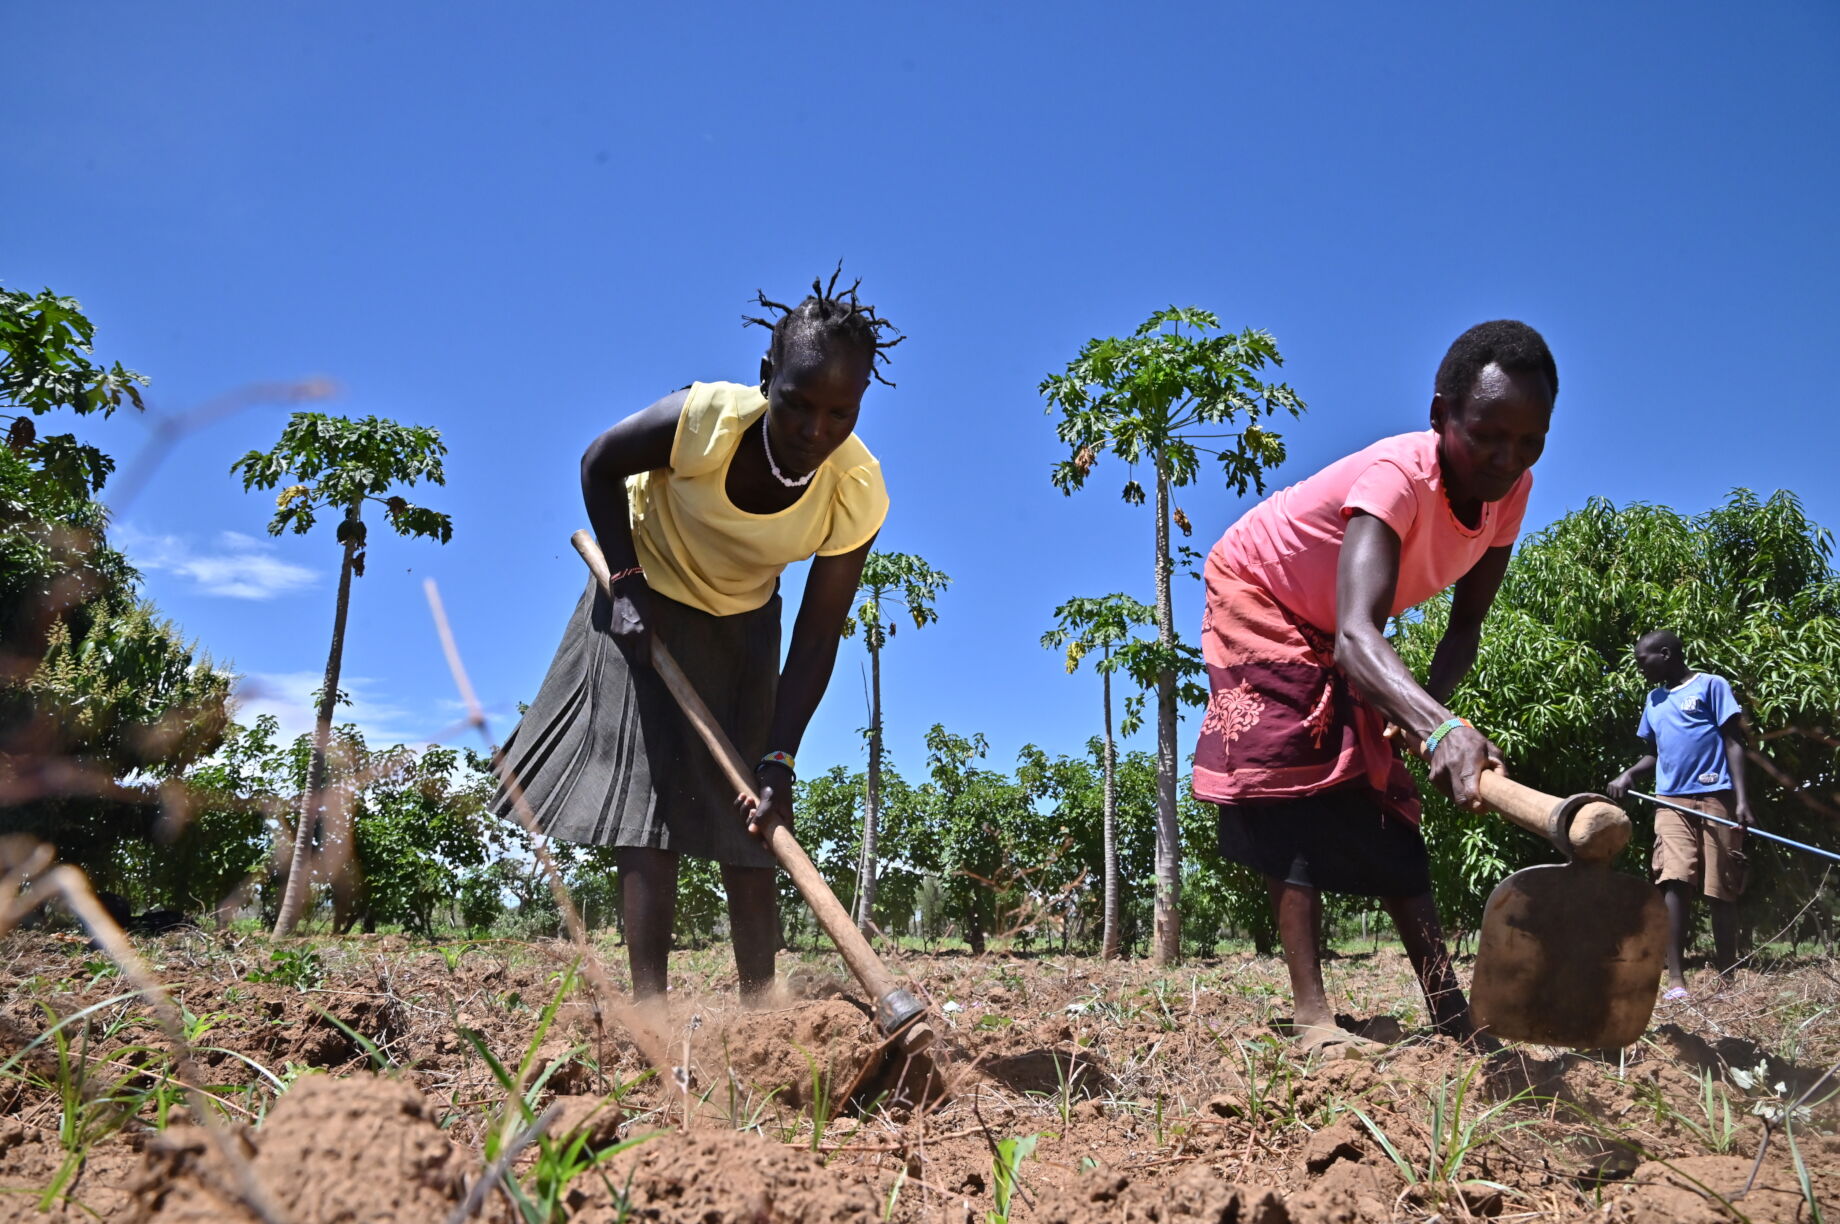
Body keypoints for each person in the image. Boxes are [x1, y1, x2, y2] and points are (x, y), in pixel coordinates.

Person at [492, 269, 898, 1007]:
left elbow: (816, 633)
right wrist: (624, 583)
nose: (816, 431)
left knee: (755, 817)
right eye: (799, 404)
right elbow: (598, 463)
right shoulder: (705, 419)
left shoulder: (855, 487)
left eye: (840, 414)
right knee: (646, 814)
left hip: (746, 623)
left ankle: (764, 1015)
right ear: (767, 377)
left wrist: (779, 756)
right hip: (641, 592)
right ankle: (649, 1013)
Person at [1192, 320, 1557, 1058]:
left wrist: (1419, 715)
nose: (1505, 457)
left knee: (1386, 791)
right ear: (1440, 415)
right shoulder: (1397, 477)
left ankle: (1452, 1011)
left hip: (1342, 626)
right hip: (1262, 592)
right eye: (1488, 433)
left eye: (1529, 442)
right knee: (1292, 776)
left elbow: (1462, 630)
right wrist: (1443, 727)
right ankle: (1312, 1016)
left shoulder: (1509, 494)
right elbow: (1361, 637)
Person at [1605, 630, 1754, 998]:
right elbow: (1655, 753)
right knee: (1673, 881)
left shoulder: (1711, 685)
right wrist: (1629, 773)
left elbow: (1734, 742)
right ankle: (1676, 980)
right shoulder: (1653, 700)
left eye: (1643, 660)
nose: (1639, 668)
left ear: (1666, 654)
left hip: (1715, 796)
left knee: (1720, 888)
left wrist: (1741, 800)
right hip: (1670, 800)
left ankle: (1727, 976)